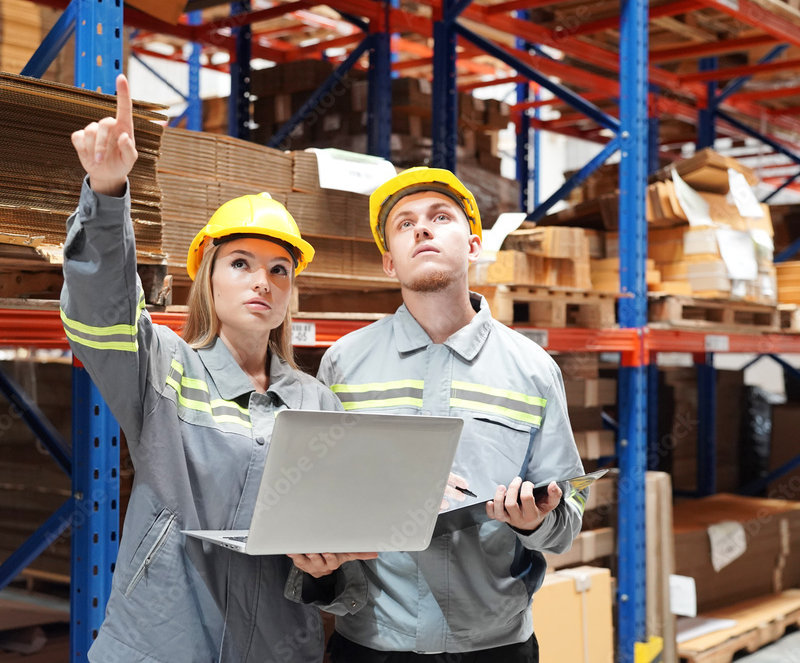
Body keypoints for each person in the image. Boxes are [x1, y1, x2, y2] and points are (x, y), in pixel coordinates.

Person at [61, 74, 373, 663]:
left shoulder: (316, 403)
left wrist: (324, 571)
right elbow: (102, 313)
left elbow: (333, 571)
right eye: (241, 262)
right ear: (208, 277)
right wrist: (106, 196)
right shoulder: (164, 370)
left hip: (279, 649)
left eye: (280, 269)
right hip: (164, 643)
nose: (263, 280)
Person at [287, 167, 587, 662]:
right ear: (389, 263)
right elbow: (321, 495)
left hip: (494, 647)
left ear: (473, 245)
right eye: (404, 224)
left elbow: (568, 518)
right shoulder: (345, 363)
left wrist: (534, 522)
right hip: (373, 644)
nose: (421, 229)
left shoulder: (533, 370)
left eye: (438, 217)